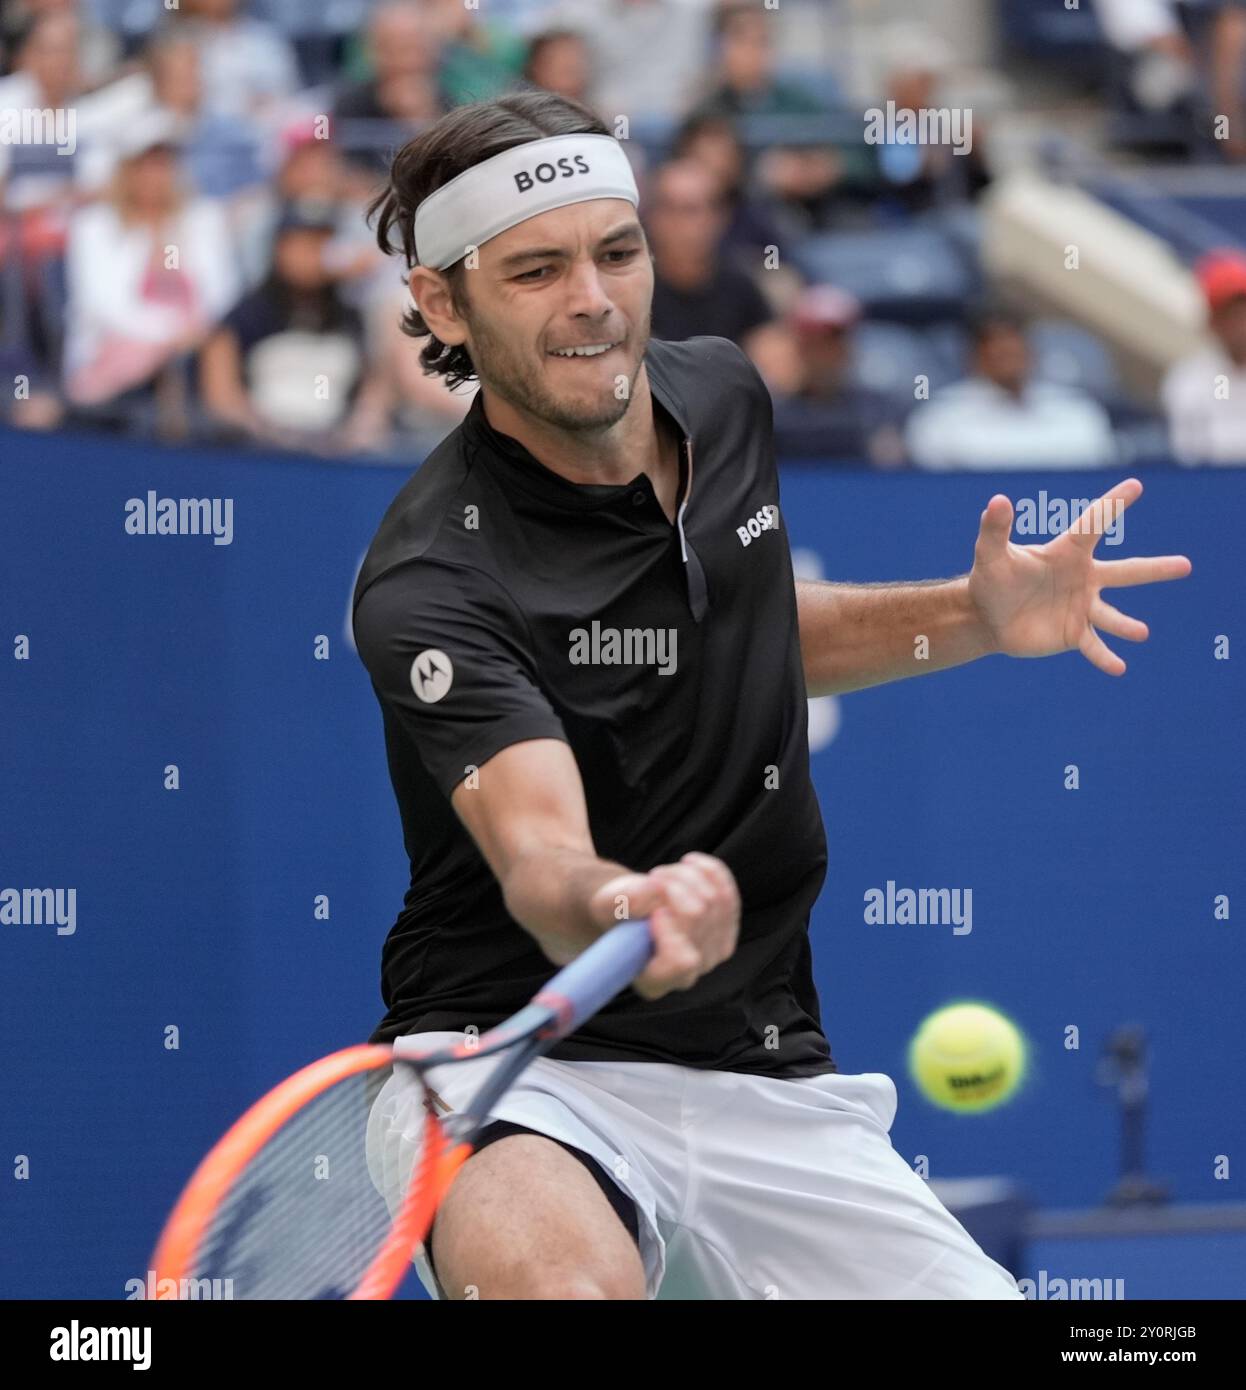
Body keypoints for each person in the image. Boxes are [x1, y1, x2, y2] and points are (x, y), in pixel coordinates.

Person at [354, 91, 1190, 1301]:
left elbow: (748, 627)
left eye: (617, 252)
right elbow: (536, 854)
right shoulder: (432, 579)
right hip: (512, 1063)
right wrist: (616, 898)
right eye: (534, 270)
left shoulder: (724, 395)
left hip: (763, 1073)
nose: (592, 298)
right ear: (442, 301)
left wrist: (973, 614)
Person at [906, 308, 1117, 470]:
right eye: (999, 354)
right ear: (975, 358)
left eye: (1014, 352)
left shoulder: (1078, 412)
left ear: (1031, 352)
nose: (1008, 362)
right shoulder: (940, 420)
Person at [644, 159, 773, 349]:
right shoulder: (633, 288)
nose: (678, 222)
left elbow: (770, 358)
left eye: (691, 210)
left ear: (719, 217)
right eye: (668, 208)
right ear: (651, 217)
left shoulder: (742, 288)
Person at [1161, 248, 1246, 464]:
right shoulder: (1187, 380)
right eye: (1230, 314)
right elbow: (1190, 457)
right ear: (1212, 322)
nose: (1241, 324)